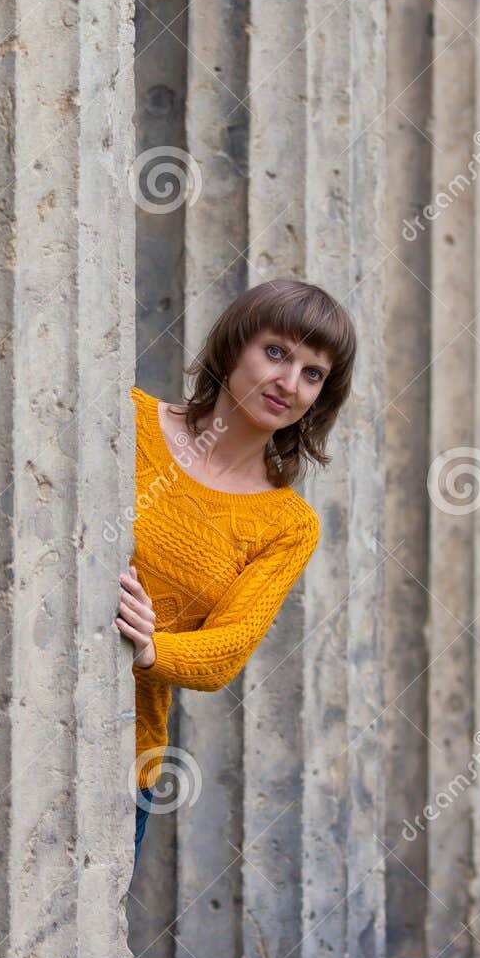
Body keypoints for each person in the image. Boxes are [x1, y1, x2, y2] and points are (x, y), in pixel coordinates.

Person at [116, 278, 357, 873]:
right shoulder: (128, 418)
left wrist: (149, 648)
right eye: (275, 352)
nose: (288, 382)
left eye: (312, 373)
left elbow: (225, 650)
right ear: (233, 346)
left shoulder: (287, 525)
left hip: (120, 757)